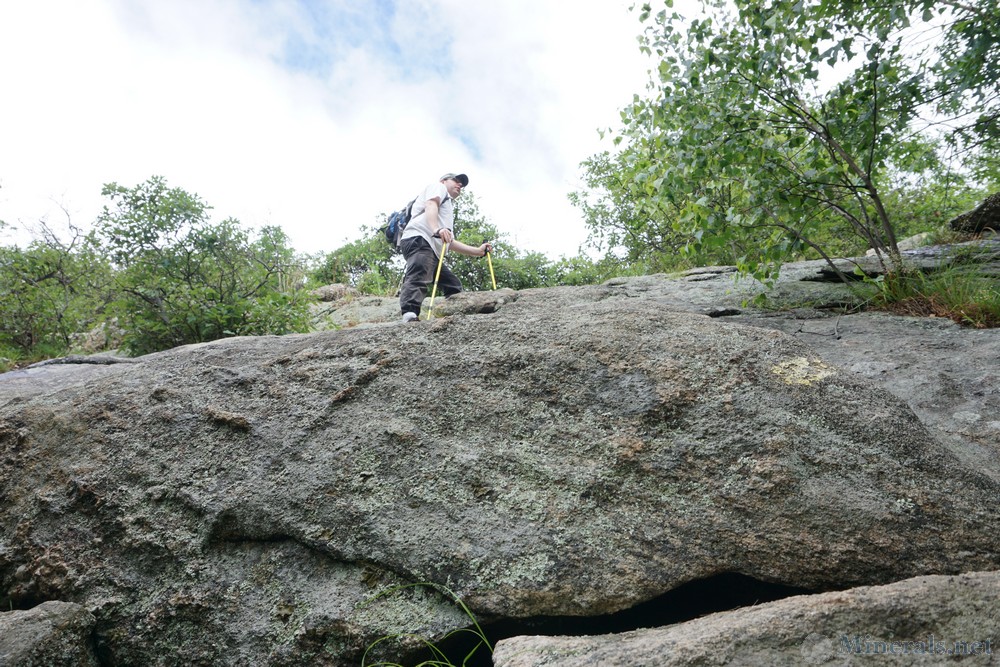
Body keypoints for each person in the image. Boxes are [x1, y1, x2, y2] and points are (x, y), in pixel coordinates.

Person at [399, 173, 492, 322]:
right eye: (456, 180)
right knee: (419, 275)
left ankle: (454, 314)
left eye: (461, 184)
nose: (460, 185)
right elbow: (431, 204)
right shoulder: (438, 188)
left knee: (452, 285)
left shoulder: (447, 206)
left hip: (434, 250)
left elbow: (450, 242)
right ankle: (409, 314)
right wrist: (436, 229)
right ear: (443, 181)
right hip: (420, 239)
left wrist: (478, 251)